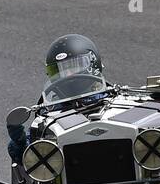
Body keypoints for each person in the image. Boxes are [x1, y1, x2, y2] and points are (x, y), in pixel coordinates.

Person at [6, 34, 108, 163]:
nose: (69, 75)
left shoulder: (116, 100)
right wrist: (19, 143)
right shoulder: (49, 112)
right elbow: (27, 158)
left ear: (93, 63)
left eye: (75, 66)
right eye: (61, 70)